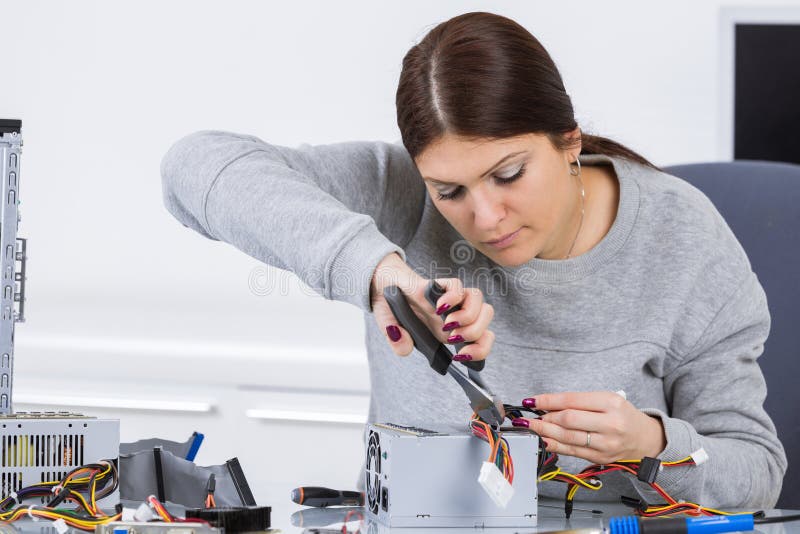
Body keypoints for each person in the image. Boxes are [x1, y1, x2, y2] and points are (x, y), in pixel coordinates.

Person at [160, 11, 785, 507]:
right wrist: (379, 273)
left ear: (568, 141)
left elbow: (756, 471)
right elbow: (194, 167)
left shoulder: (685, 237)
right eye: (450, 191)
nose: (486, 218)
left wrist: (648, 443)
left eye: (508, 174)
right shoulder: (399, 193)